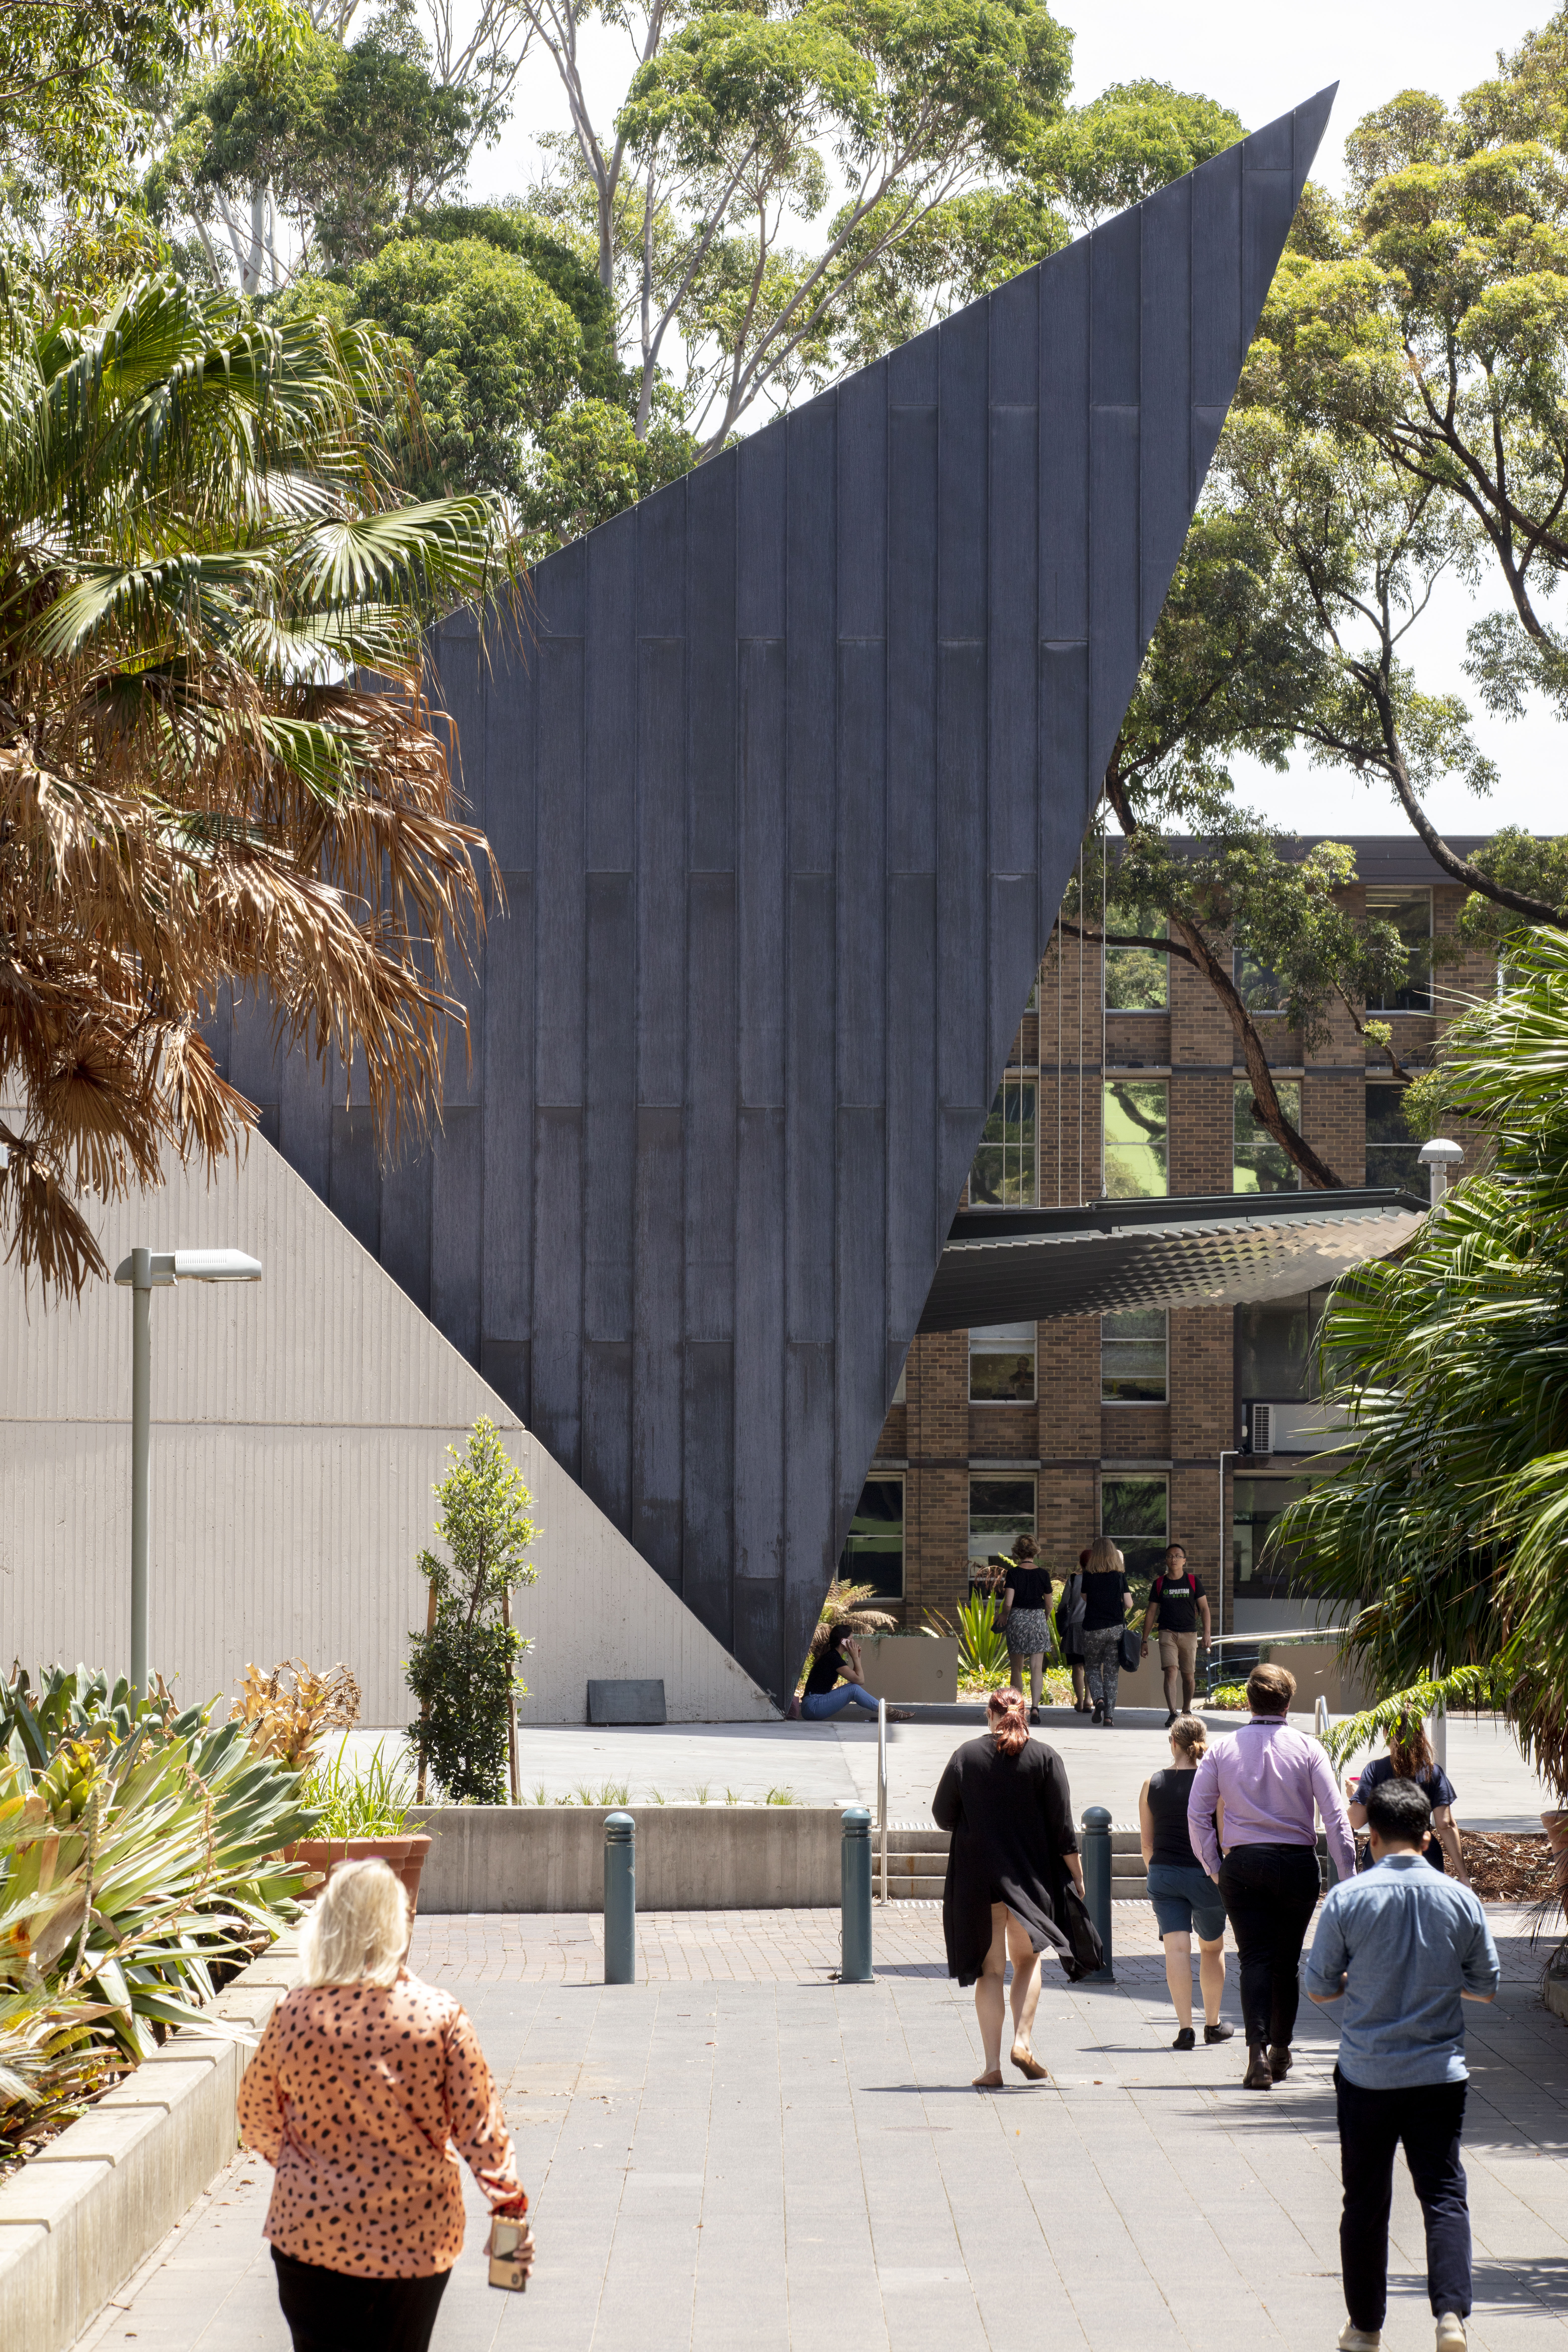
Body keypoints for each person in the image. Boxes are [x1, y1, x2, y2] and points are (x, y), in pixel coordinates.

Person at [237, 1858, 533, 2352]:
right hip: (415, 2238)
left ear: (328, 1924)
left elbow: (257, 2116)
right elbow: (481, 2130)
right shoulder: (440, 2016)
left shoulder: (295, 2011)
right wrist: (509, 2209)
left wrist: (302, 2165)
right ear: (399, 1923)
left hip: (309, 2231)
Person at [1304, 1776, 1500, 2352]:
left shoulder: (1347, 1897)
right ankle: (1450, 2317)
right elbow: (1485, 1985)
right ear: (1424, 1833)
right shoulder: (1457, 1896)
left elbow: (1316, 1985)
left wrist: (1356, 1982)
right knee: (1442, 2192)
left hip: (1365, 2071)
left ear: (1369, 1835)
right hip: (1439, 2071)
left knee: (1363, 2199)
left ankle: (1364, 2326)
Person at [1187, 1660, 1355, 2090]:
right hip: (1296, 1862)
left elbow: (1196, 1813)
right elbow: (1336, 1817)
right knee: (1285, 1960)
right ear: (1287, 1701)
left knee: (1253, 1959)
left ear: (1248, 1699)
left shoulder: (1223, 1749)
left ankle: (1257, 2055)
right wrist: (1347, 1873)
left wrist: (1213, 1865)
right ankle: (1280, 2048)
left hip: (1243, 1862)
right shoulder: (1307, 1747)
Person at [933, 1686, 1087, 2088]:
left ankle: (990, 2066)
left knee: (989, 1970)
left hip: (977, 1874)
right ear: (1025, 1715)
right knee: (1027, 1960)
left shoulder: (965, 1755)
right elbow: (1062, 1827)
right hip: (1029, 1876)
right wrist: (1077, 1872)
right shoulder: (1044, 1757)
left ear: (989, 1714)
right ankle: (1022, 2040)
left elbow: (941, 1814)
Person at [1138, 1713, 1234, 2051]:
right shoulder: (1213, 1783)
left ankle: (1184, 2030)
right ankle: (1212, 2024)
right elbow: (1223, 1839)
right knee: (1212, 1948)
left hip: (1164, 1874)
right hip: (1204, 1876)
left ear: (1173, 1744)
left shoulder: (1152, 1783)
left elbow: (1146, 1845)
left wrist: (1159, 1872)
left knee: (1176, 1950)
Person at [1349, 1713, 1470, 1885]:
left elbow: (1356, 1821)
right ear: (1420, 1734)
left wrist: (1355, 1796)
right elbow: (1445, 1824)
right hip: (1425, 1854)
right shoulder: (1433, 1772)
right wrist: (1463, 1875)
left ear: (1386, 1733)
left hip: (1382, 1854)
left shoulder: (1375, 1770)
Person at [1140, 1541, 1211, 1726]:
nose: (1174, 1559)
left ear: (1184, 1561)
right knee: (1171, 1671)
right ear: (1166, 1560)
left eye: (1177, 1556)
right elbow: (1151, 1612)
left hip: (1189, 1633)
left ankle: (1186, 1710)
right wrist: (1144, 1640)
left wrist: (1207, 1634)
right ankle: (1173, 1713)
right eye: (1170, 1556)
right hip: (1167, 1632)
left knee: (1188, 1676)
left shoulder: (1193, 1582)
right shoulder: (1160, 1583)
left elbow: (1204, 1608)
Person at [1079, 1535, 1133, 1726]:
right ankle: (1109, 1717)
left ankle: (1099, 1700)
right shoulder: (1119, 1576)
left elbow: (1084, 1597)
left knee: (1093, 1667)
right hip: (1116, 1628)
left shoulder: (1088, 1575)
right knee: (1112, 1673)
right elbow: (1128, 1603)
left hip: (1093, 1628)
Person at [1000, 1535, 1053, 1724]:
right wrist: (1043, 1619)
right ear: (1035, 1551)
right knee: (1036, 1668)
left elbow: (1008, 1604)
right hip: (1037, 1619)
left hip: (1017, 1619)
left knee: (1016, 1667)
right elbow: (1049, 1604)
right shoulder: (1043, 1574)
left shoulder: (1013, 1573)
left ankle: (1016, 1710)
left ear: (1017, 1552)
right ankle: (1035, 1709)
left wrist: (1003, 1616)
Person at [800, 1625, 880, 1720]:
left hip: (812, 1706)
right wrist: (855, 1658)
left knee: (853, 1687)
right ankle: (886, 1711)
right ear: (844, 1642)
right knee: (853, 1689)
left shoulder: (833, 1656)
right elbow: (860, 1680)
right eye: (852, 1639)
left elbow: (856, 1679)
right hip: (813, 1706)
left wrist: (857, 1657)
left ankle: (886, 1711)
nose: (854, 1643)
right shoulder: (833, 1658)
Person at [1055, 1547, 1090, 1714]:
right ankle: (1089, 1701)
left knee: (1077, 1666)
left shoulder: (1074, 1580)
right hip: (1093, 1626)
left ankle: (1081, 1702)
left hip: (1075, 1626)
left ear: (1081, 1563)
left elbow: (1063, 1603)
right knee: (1092, 1666)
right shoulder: (1101, 1580)